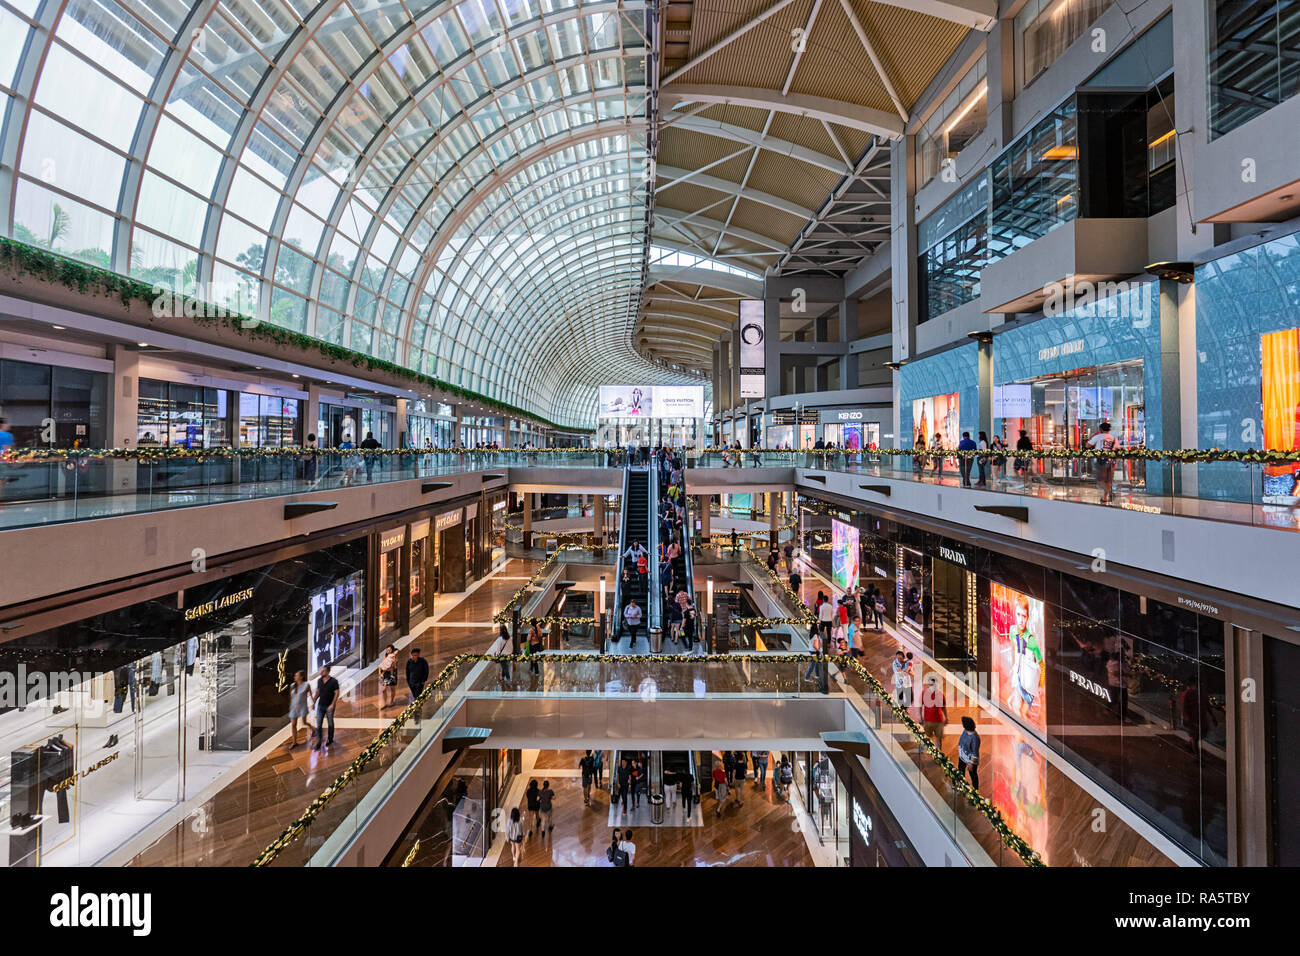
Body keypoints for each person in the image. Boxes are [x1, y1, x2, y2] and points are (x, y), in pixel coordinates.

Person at [1088, 421, 1120, 502]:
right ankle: (1105, 498)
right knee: (1108, 480)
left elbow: (1087, 445)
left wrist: (1092, 436)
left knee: (1100, 481)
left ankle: (1110, 493)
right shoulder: (1113, 438)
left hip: (1100, 460)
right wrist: (1116, 463)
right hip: (1111, 461)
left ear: (1100, 429)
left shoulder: (1098, 437)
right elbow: (1118, 450)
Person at [312, 664, 340, 750]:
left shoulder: (334, 681)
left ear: (328, 672)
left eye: (323, 671)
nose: (321, 672)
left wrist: (333, 704)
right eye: (321, 670)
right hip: (320, 705)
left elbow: (337, 693)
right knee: (319, 724)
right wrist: (313, 702)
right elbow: (317, 692)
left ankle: (330, 739)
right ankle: (319, 741)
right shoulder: (319, 680)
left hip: (329, 706)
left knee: (330, 723)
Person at [287, 669, 313, 748]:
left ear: (301, 677)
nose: (295, 677)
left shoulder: (306, 685)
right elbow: (291, 697)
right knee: (293, 725)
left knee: (304, 723)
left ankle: (313, 729)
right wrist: (290, 706)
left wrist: (313, 703)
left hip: (302, 707)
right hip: (294, 708)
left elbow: (310, 695)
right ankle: (294, 742)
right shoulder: (292, 686)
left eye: (296, 675)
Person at [920, 674, 947, 746]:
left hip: (939, 721)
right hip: (927, 721)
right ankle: (927, 752)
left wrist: (946, 717)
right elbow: (920, 706)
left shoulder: (941, 694)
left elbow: (943, 707)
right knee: (927, 737)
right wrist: (920, 718)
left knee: (939, 739)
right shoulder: (924, 693)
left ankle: (939, 755)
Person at [957, 716, 981, 791]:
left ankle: (975, 790)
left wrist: (971, 763)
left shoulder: (974, 738)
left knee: (973, 775)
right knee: (961, 771)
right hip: (962, 757)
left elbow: (975, 753)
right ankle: (961, 785)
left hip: (971, 760)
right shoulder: (965, 731)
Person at [378, 643, 399, 708]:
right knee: (383, 689)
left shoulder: (394, 656)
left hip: (392, 673)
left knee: (392, 688)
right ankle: (384, 703)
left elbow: (394, 665)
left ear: (392, 650)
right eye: (387, 650)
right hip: (386, 674)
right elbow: (382, 664)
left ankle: (392, 701)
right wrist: (380, 672)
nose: (388, 651)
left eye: (389, 650)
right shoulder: (386, 656)